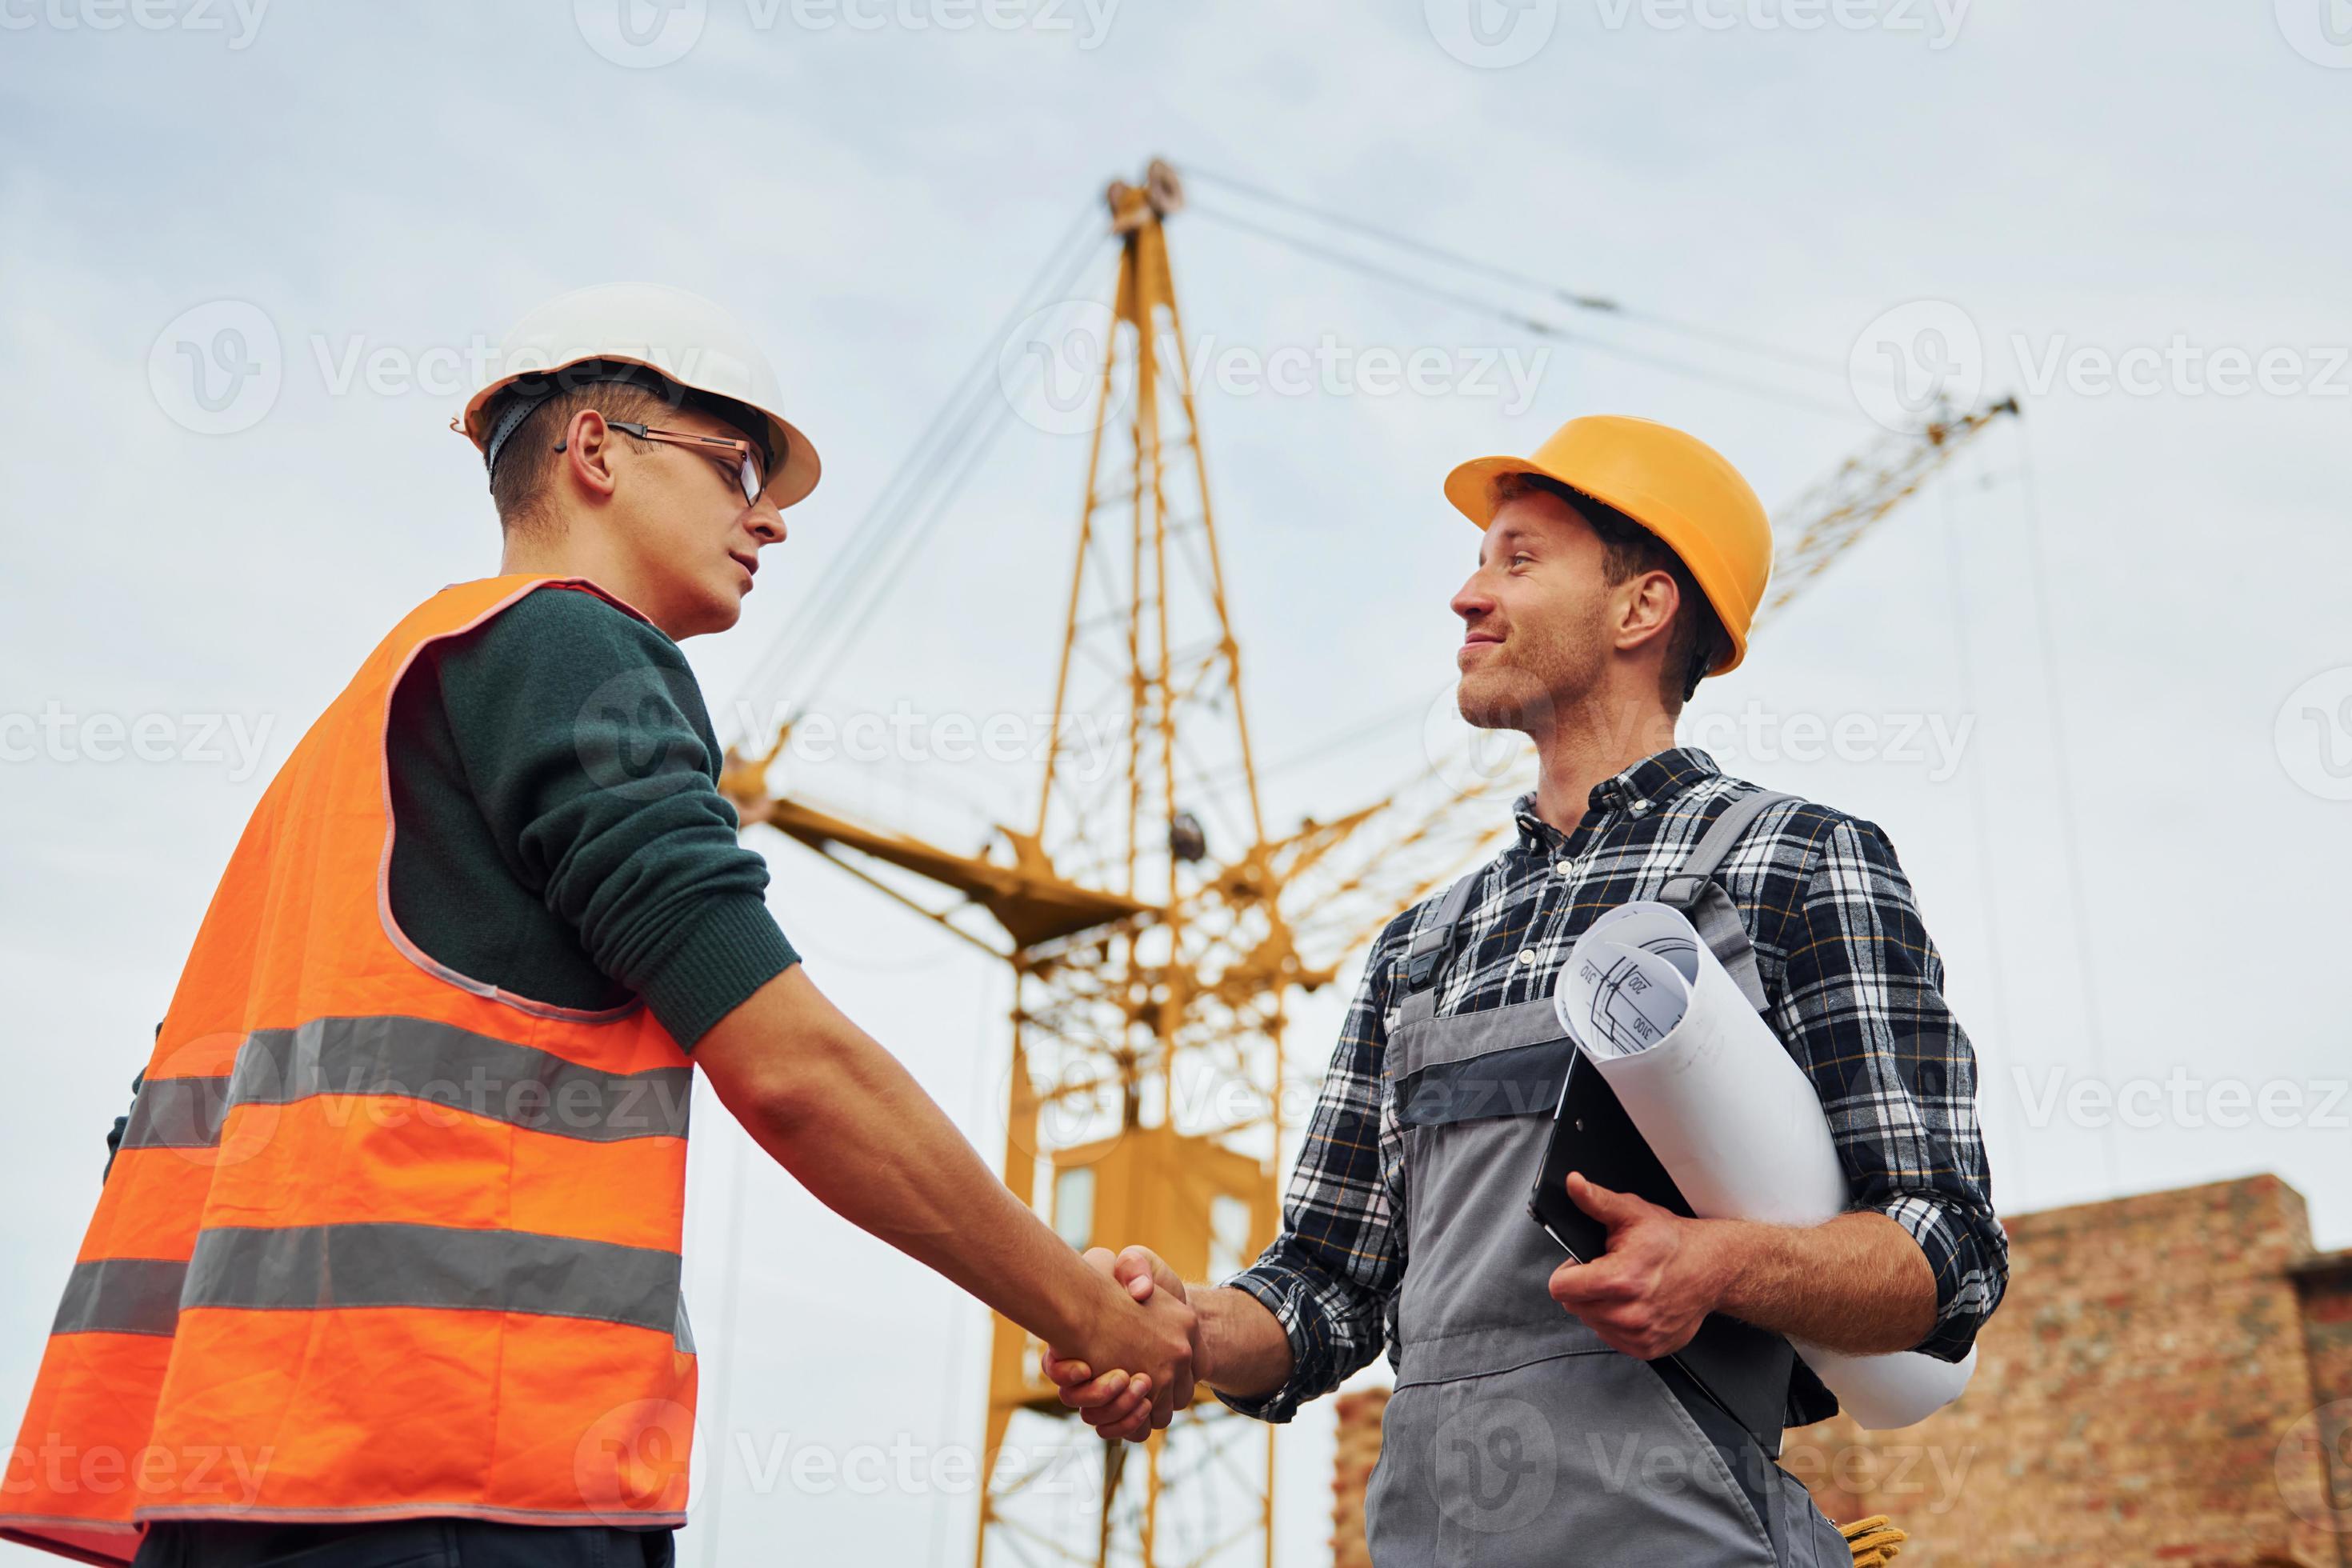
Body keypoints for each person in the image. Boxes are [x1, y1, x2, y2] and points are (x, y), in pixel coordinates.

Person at [2, 285, 1197, 1568]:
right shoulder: (566, 651)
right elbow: (786, 1067)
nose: (773, 518)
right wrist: (1084, 1308)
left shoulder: (357, 733)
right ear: (595, 454)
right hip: (460, 1476)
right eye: (738, 465)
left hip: (244, 1491)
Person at [1044, 416, 2008, 1565]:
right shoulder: (1422, 945)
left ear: (1639, 609)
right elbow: (1328, 1291)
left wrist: (1718, 1267)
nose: (1466, 594)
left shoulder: (1793, 866)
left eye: (1517, 559)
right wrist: (1188, 1330)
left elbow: (1947, 1250)